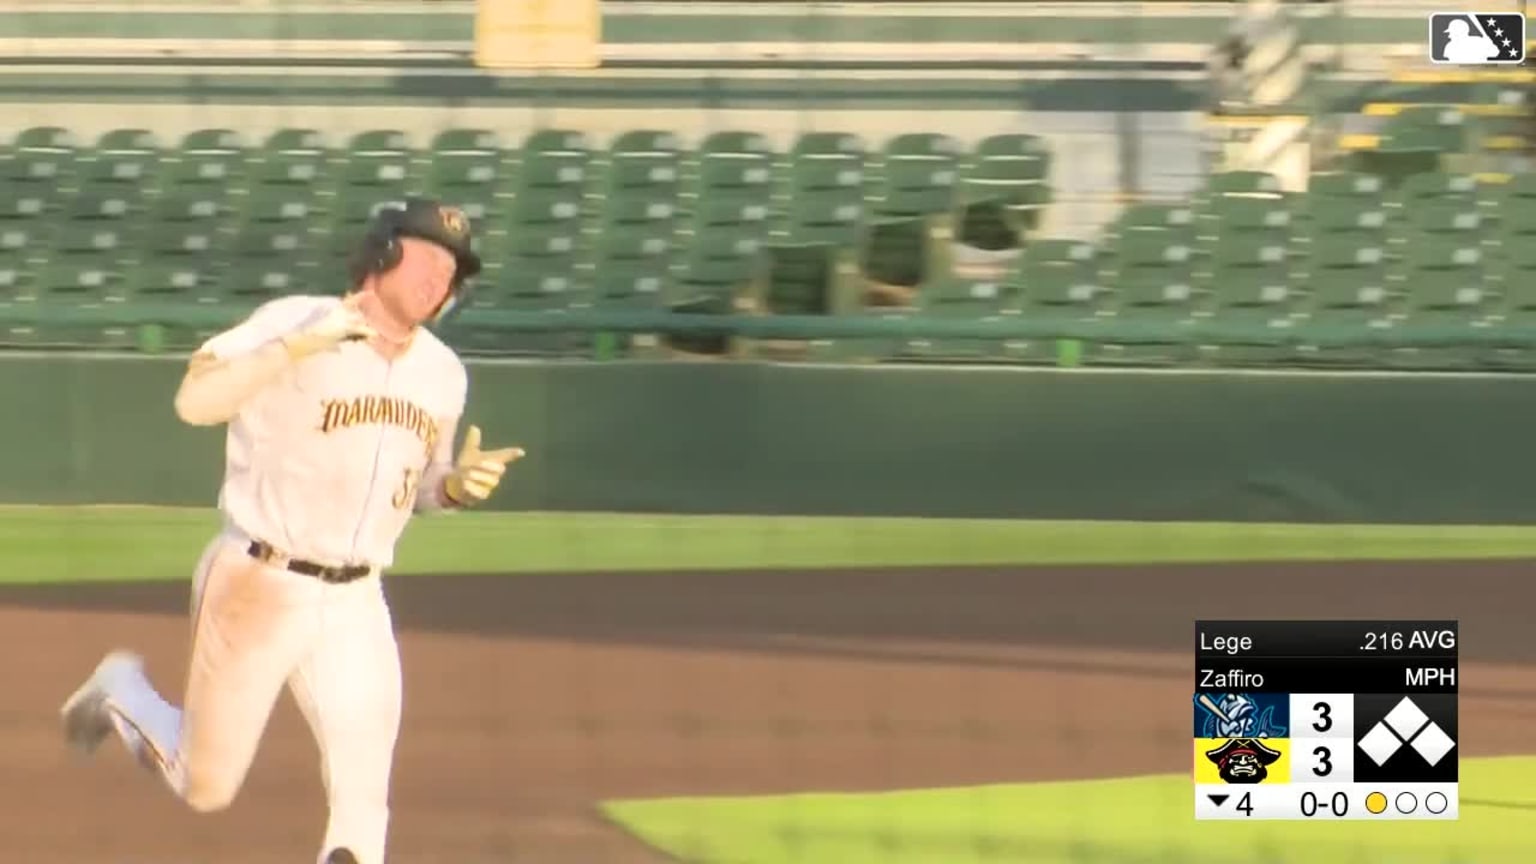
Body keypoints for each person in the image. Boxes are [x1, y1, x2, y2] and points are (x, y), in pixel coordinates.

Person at [58, 197, 525, 864]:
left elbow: (421, 487)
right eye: (427, 257)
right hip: (258, 582)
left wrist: (452, 487)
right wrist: (295, 349)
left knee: (364, 794)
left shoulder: (442, 374)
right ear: (384, 252)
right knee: (205, 786)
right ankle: (122, 692)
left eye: (451, 270)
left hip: (356, 600)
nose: (437, 279)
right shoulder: (295, 320)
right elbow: (195, 401)